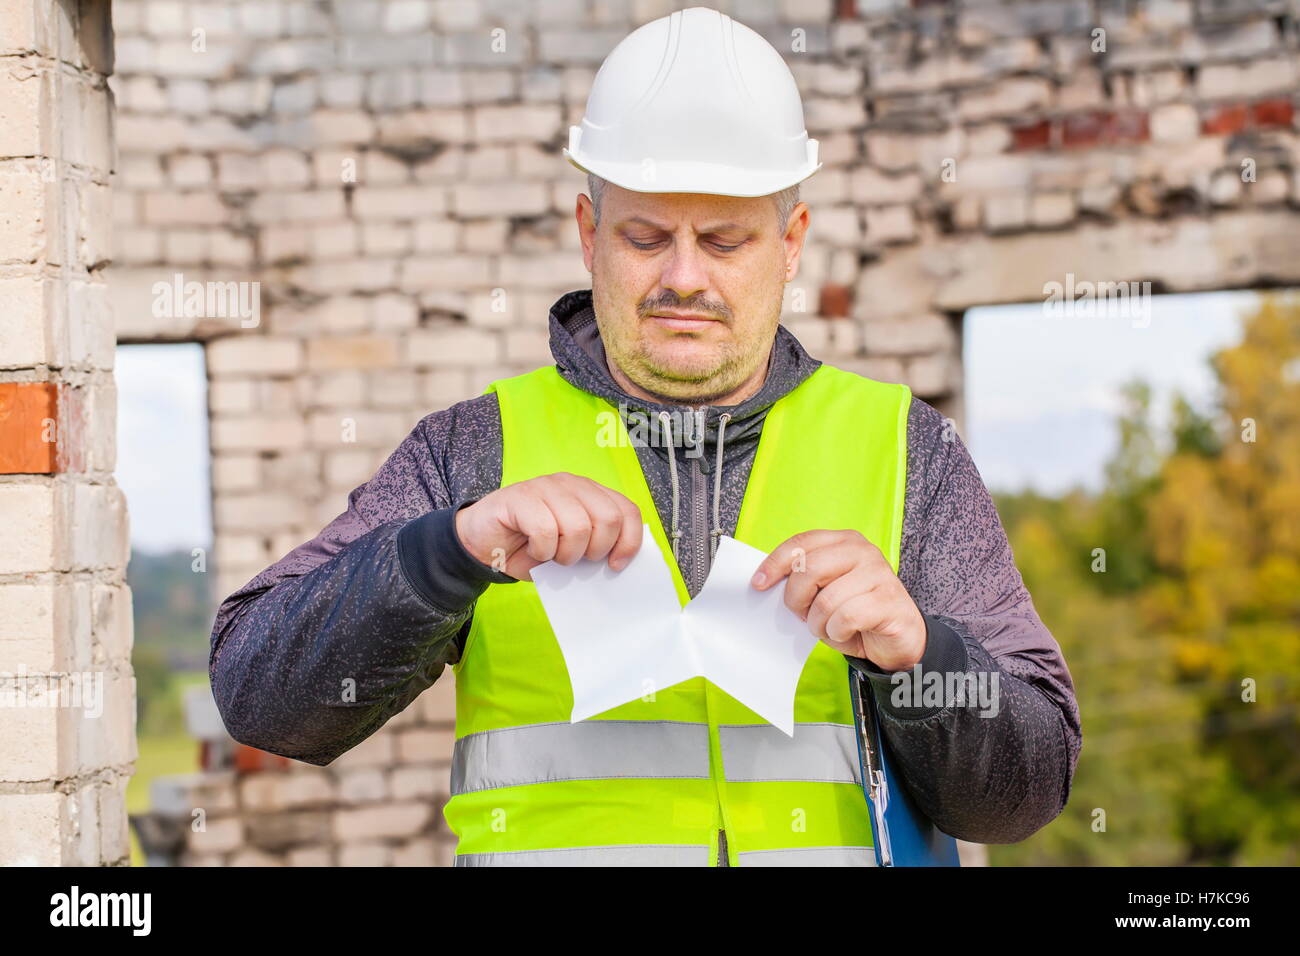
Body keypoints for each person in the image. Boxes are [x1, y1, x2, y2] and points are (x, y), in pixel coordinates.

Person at [210, 6, 1080, 867]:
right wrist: (450, 550)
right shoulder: (472, 451)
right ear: (589, 235)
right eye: (645, 236)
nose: (684, 277)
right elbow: (258, 695)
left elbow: (1026, 792)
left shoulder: (907, 451)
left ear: (791, 244)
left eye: (725, 240)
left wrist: (921, 656)